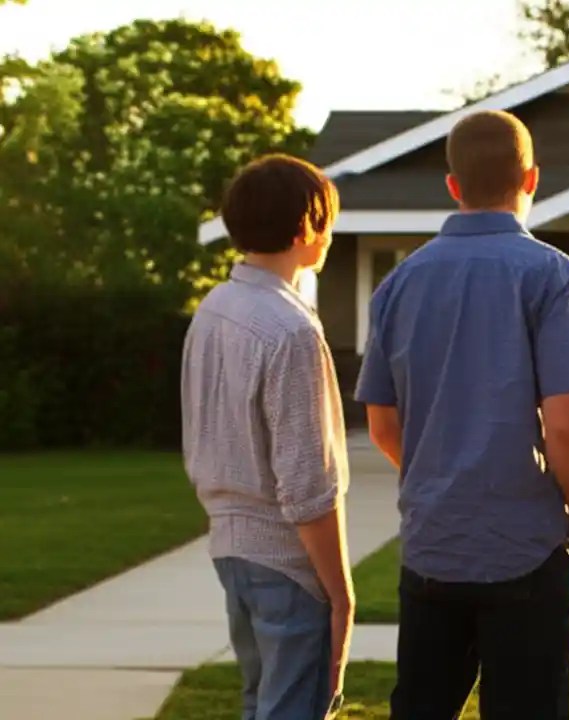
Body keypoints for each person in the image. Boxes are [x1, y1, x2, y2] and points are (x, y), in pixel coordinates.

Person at [356, 110, 569, 719]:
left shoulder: (398, 284)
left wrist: (440, 475)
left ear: (452, 184)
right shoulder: (551, 275)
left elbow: (384, 426)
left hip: (431, 546)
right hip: (524, 547)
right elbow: (568, 424)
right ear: (532, 179)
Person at [181, 154, 354, 720]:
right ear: (307, 227)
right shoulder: (292, 329)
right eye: (327, 222)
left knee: (260, 704)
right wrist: (340, 592)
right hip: (285, 560)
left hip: (230, 550)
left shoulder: (213, 309)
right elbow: (307, 483)